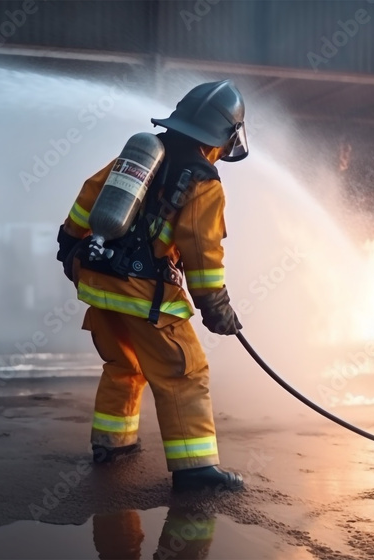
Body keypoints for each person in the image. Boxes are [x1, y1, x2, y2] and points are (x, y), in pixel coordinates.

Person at [56, 80, 249, 492]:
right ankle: (194, 469)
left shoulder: (140, 155)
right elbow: (201, 250)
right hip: (143, 294)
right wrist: (215, 305)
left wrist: (69, 240)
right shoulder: (203, 182)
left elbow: (90, 195)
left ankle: (112, 443)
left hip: (97, 281)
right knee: (184, 371)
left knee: (124, 365)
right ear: (223, 136)